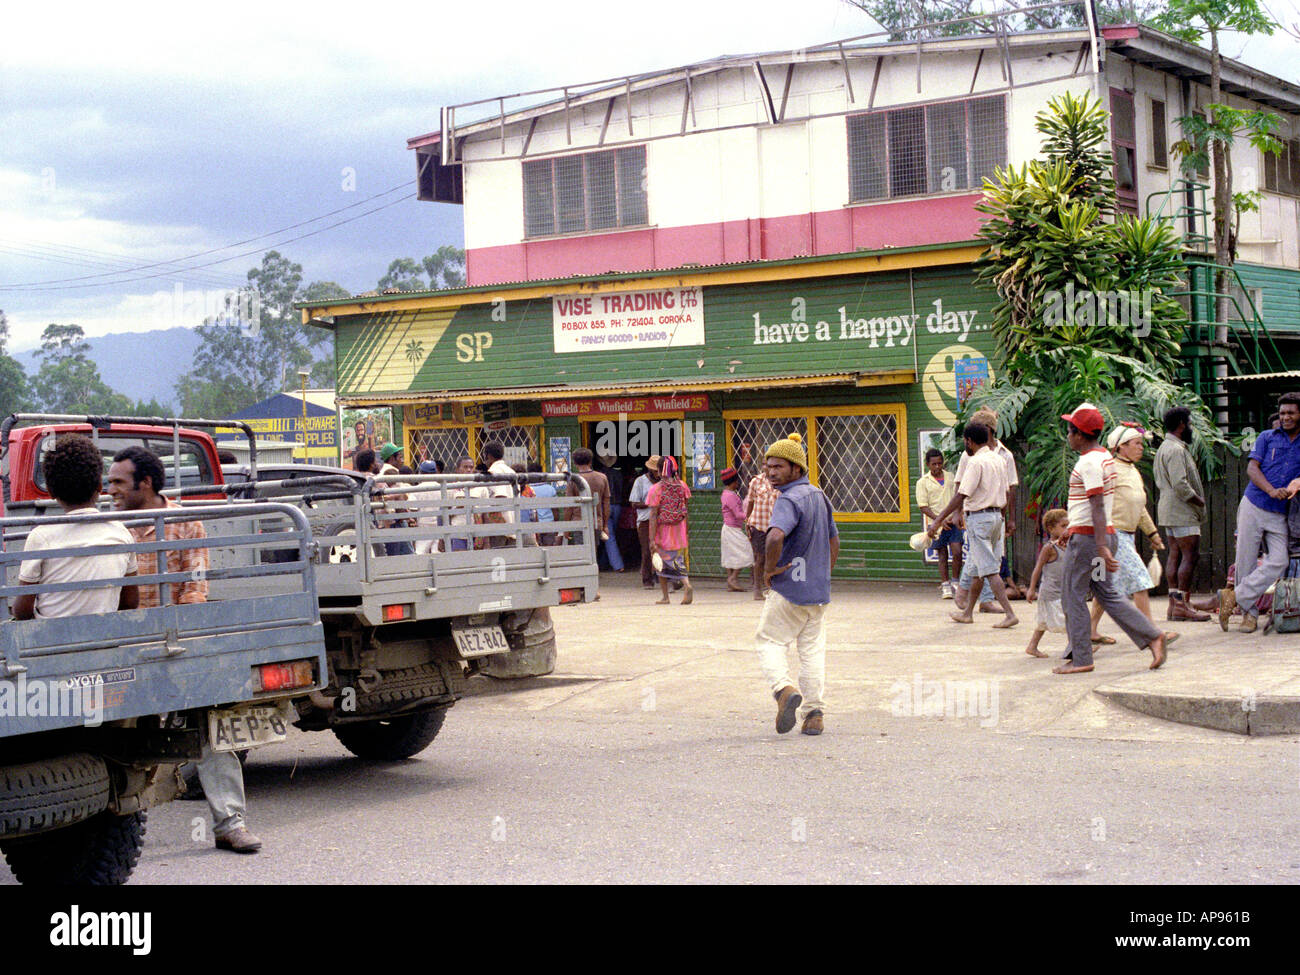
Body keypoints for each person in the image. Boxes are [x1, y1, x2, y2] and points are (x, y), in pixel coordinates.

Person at [104, 445, 262, 854]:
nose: (112, 489)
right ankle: (102, 833)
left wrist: (181, 639)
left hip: (175, 641)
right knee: (109, 735)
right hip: (123, 643)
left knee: (210, 728)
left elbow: (195, 585)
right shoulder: (110, 526)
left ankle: (230, 823)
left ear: (147, 483)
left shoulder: (186, 522)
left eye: (120, 482)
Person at [1054, 403, 1167, 675]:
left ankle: (1081, 659)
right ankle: (1152, 635)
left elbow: (1095, 503)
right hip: (1098, 536)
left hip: (1090, 541)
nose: (1068, 436)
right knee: (1107, 593)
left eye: (1070, 431)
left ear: (1079, 434)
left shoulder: (1089, 462)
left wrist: (1101, 546)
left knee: (1072, 596)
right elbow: (1095, 503)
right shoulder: (1104, 456)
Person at [755, 432, 838, 736]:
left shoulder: (788, 499)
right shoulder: (819, 495)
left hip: (789, 588)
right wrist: (823, 573)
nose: (771, 472)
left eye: (778, 466)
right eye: (767, 467)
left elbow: (775, 536)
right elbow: (834, 540)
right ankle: (814, 713)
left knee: (769, 641)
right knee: (812, 652)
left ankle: (783, 691)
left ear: (797, 469)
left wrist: (769, 569)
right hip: (816, 592)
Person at [14, 434, 139, 621]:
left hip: (51, 644)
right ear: (99, 485)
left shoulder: (41, 537)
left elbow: (22, 610)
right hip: (106, 640)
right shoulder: (120, 532)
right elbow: (130, 602)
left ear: (50, 490)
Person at [1090, 424, 1178, 644]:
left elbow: (1138, 506)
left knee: (1106, 586)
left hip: (1125, 536)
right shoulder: (1109, 469)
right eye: (1137, 444)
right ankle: (1151, 633)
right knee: (1139, 580)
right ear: (1122, 446)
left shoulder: (1132, 471)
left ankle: (1090, 630)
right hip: (1113, 535)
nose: (1141, 448)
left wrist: (1152, 533)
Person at [1220, 392, 1300, 633]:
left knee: (1278, 560)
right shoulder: (1266, 437)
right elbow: (1252, 468)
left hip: (1280, 514)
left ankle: (1234, 596)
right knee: (1245, 560)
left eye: (1291, 413)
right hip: (1254, 504)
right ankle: (1249, 615)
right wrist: (1271, 490)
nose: (1285, 417)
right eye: (1283, 412)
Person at [926, 422, 1018, 628]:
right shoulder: (998, 459)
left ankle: (1010, 614)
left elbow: (962, 494)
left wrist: (939, 519)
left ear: (969, 441)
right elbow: (1007, 492)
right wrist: (1003, 517)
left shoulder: (976, 462)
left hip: (980, 518)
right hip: (996, 517)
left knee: (989, 569)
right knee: (978, 566)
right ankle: (968, 612)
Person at [952, 408, 1019, 612]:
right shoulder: (969, 455)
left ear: (987, 429)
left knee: (990, 560)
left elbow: (1011, 486)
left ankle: (975, 602)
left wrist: (1010, 518)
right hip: (978, 513)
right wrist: (957, 513)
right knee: (982, 559)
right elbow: (960, 484)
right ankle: (976, 601)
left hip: (994, 514)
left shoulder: (1004, 455)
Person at [1153, 406, 1211, 622]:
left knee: (1175, 555)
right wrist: (1199, 500)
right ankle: (1182, 605)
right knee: (1190, 555)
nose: (1191, 427)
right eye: (1189, 423)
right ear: (1181, 425)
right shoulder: (1176, 450)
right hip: (1182, 509)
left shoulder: (1164, 447)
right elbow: (1180, 484)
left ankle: (1174, 605)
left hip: (1169, 508)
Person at [916, 447, 962, 599]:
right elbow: (923, 506)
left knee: (957, 552)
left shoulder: (951, 477)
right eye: (934, 464)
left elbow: (958, 498)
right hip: (936, 525)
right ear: (928, 465)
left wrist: (955, 515)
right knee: (942, 555)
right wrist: (939, 521)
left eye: (939, 464)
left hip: (953, 521)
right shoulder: (923, 482)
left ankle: (956, 581)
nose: (937, 467)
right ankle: (946, 585)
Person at [646, 455, 693, 604]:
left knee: (660, 561)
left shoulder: (656, 489)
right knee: (674, 558)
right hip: (678, 529)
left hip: (663, 530)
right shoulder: (682, 486)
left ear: (659, 471)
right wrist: (686, 530)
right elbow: (685, 509)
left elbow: (653, 515)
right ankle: (676, 589)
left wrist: (651, 538)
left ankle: (676, 590)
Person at [1024, 508, 1069, 658]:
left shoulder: (1067, 545)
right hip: (1051, 592)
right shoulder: (1049, 548)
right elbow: (1038, 568)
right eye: (1063, 526)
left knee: (1042, 622)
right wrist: (1031, 589)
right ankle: (1078, 646)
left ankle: (1032, 646)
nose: (1066, 529)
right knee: (1069, 619)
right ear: (1051, 528)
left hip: (1060, 591)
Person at [745, 464, 778, 601]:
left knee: (775, 557)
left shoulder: (779, 482)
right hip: (758, 524)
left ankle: (773, 587)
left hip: (775, 525)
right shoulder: (756, 482)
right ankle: (757, 588)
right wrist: (747, 521)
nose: (768, 467)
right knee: (760, 558)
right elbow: (750, 502)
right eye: (765, 464)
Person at [627, 456, 662, 588]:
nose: (657, 474)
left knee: (663, 549)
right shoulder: (640, 482)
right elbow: (634, 503)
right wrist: (651, 504)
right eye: (655, 471)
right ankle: (647, 579)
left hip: (661, 520)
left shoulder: (664, 481)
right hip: (645, 520)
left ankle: (662, 576)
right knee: (647, 550)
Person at [719, 467, 753, 591]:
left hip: (727, 529)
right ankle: (733, 578)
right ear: (733, 482)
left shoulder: (725, 494)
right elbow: (738, 514)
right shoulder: (731, 496)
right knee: (747, 550)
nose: (738, 483)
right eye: (737, 481)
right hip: (733, 529)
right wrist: (750, 515)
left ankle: (730, 582)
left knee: (730, 555)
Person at [480, 440, 518, 549]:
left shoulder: (494, 472)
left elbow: (500, 496)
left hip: (499, 526)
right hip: (513, 523)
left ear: (488, 455)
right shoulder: (511, 471)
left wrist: (498, 522)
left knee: (495, 560)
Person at [572, 448, 610, 554]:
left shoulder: (573, 480)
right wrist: (605, 525)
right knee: (593, 552)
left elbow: (569, 507)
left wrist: (566, 529)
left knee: (581, 553)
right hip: (596, 522)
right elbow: (606, 503)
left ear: (574, 462)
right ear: (590, 461)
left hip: (578, 522)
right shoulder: (602, 478)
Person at [595, 451, 626, 571]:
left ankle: (618, 565)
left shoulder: (599, 475)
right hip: (617, 506)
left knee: (609, 536)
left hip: (605, 506)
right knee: (611, 535)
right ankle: (604, 561)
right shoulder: (618, 474)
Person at [528, 461, 560, 546]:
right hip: (548, 525)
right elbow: (555, 511)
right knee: (549, 551)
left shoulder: (527, 490)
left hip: (532, 527)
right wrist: (556, 525)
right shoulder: (550, 489)